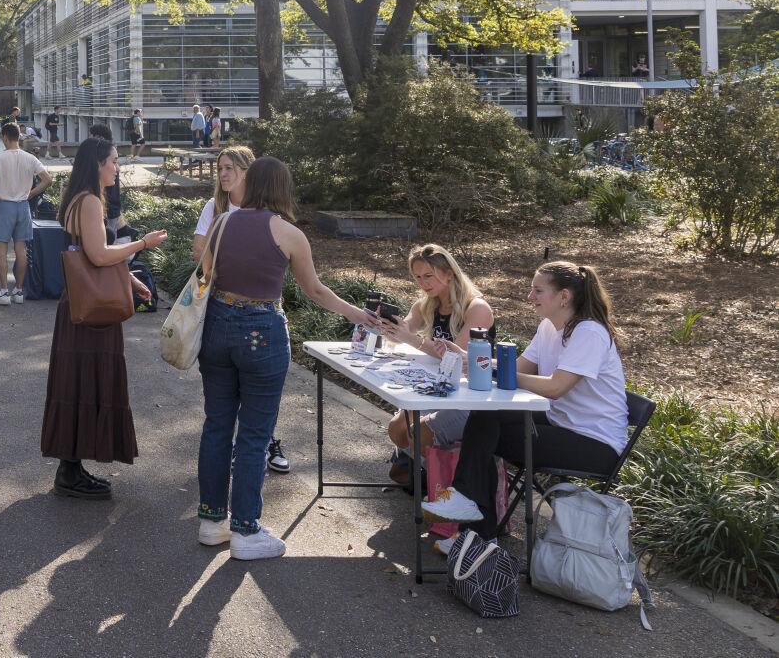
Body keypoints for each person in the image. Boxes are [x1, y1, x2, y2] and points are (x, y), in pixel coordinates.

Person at [196, 157, 384, 560]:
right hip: (261, 330)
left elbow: (205, 274)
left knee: (217, 425)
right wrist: (360, 315)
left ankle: (213, 521)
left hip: (216, 325)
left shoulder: (221, 222)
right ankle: (246, 529)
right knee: (254, 434)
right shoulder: (289, 233)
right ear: (282, 188)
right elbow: (314, 290)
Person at [422, 261, 629, 552]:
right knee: (486, 419)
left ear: (564, 297)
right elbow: (518, 368)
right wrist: (474, 361)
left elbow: (556, 387)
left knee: (486, 433)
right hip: (559, 425)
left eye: (538, 290)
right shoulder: (549, 326)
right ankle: (474, 526)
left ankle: (472, 526)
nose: (530, 296)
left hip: (595, 444)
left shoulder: (589, 333)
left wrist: (498, 372)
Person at [42, 138, 164, 499]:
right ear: (97, 163)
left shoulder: (78, 198)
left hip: (80, 304)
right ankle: (69, 471)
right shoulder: (90, 201)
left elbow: (89, 254)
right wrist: (142, 245)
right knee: (86, 383)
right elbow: (97, 255)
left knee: (78, 384)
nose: (118, 167)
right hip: (91, 311)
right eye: (113, 161)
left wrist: (131, 280)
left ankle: (72, 467)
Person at [194, 146, 287, 475]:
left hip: (257, 309)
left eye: (230, 168)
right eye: (220, 168)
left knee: (252, 402)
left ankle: (265, 441)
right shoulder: (216, 208)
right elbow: (199, 248)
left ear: (249, 171)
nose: (223, 174)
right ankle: (245, 521)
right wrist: (213, 271)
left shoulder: (264, 212)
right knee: (226, 413)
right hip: (226, 306)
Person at [384, 244, 495, 488]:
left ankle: (445, 483)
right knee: (397, 428)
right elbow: (400, 333)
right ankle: (425, 472)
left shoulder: (476, 308)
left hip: (471, 396)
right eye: (418, 277)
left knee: (417, 433)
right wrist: (384, 323)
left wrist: (411, 339)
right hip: (439, 388)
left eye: (428, 276)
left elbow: (455, 357)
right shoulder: (427, 304)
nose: (423, 283)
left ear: (449, 273)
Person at [0, 122, 51, 306]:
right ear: (18, 137)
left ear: (5, 137)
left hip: (4, 205)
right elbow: (47, 179)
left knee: (1, 250)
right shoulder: (30, 158)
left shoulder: (0, 156)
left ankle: (4, 291)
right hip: (23, 206)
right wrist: (31, 193)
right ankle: (19, 290)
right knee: (21, 250)